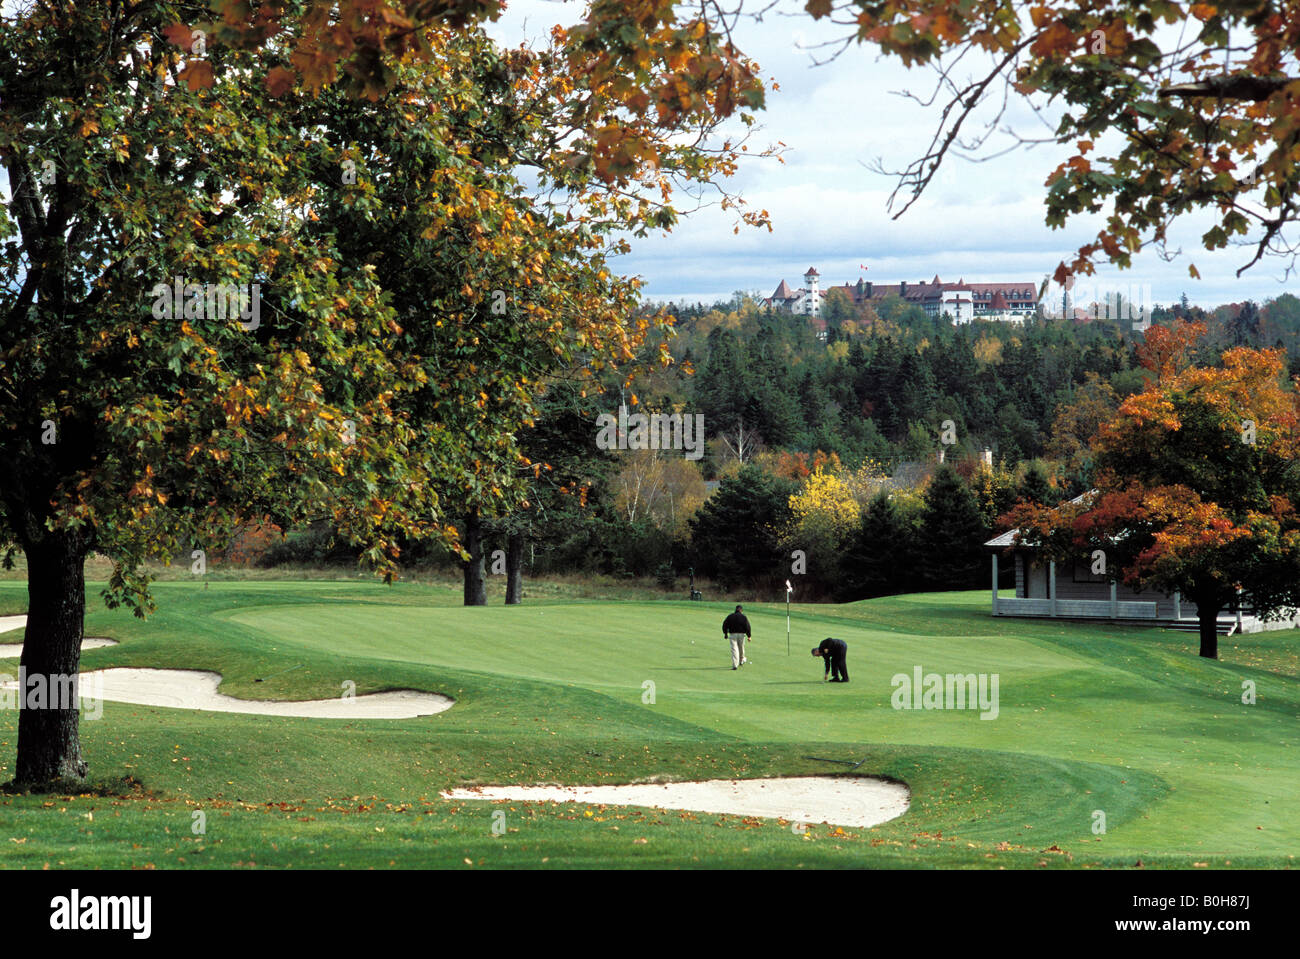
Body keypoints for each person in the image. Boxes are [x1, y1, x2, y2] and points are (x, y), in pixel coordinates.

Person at [722, 605, 751, 669]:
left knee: (734, 649)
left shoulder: (730, 616)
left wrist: (725, 634)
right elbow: (747, 626)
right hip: (741, 635)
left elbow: (725, 625)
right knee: (741, 648)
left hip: (733, 635)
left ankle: (735, 665)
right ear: (741, 610)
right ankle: (741, 660)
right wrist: (749, 636)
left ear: (735, 609)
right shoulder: (744, 617)